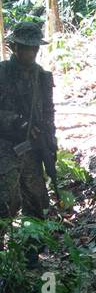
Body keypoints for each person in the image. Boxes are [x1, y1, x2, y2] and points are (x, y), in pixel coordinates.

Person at [0, 23, 57, 263]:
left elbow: (48, 112)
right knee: (7, 201)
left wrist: (51, 143)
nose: (31, 53)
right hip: (5, 144)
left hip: (33, 147)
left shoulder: (42, 76)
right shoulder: (2, 73)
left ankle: (32, 255)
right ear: (14, 47)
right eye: (26, 48)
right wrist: (18, 123)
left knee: (37, 201)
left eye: (34, 48)